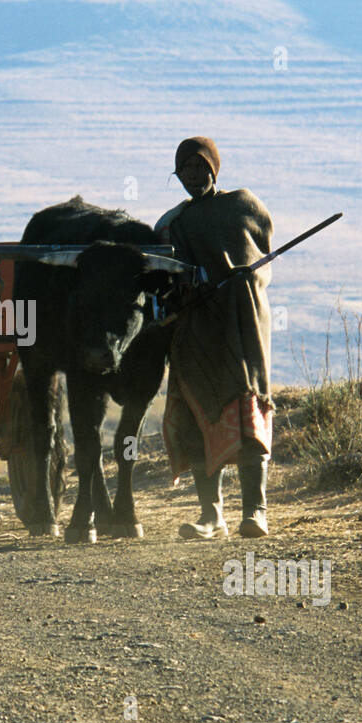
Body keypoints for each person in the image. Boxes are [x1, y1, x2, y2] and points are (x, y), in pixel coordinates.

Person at [155, 136, 275, 539]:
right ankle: (212, 516)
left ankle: (256, 512)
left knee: (245, 409)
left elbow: (260, 261)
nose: (192, 178)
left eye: (199, 169)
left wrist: (239, 277)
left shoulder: (242, 206)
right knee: (198, 413)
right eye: (184, 172)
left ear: (214, 168)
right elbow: (163, 277)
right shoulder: (172, 223)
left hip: (240, 326)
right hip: (194, 330)